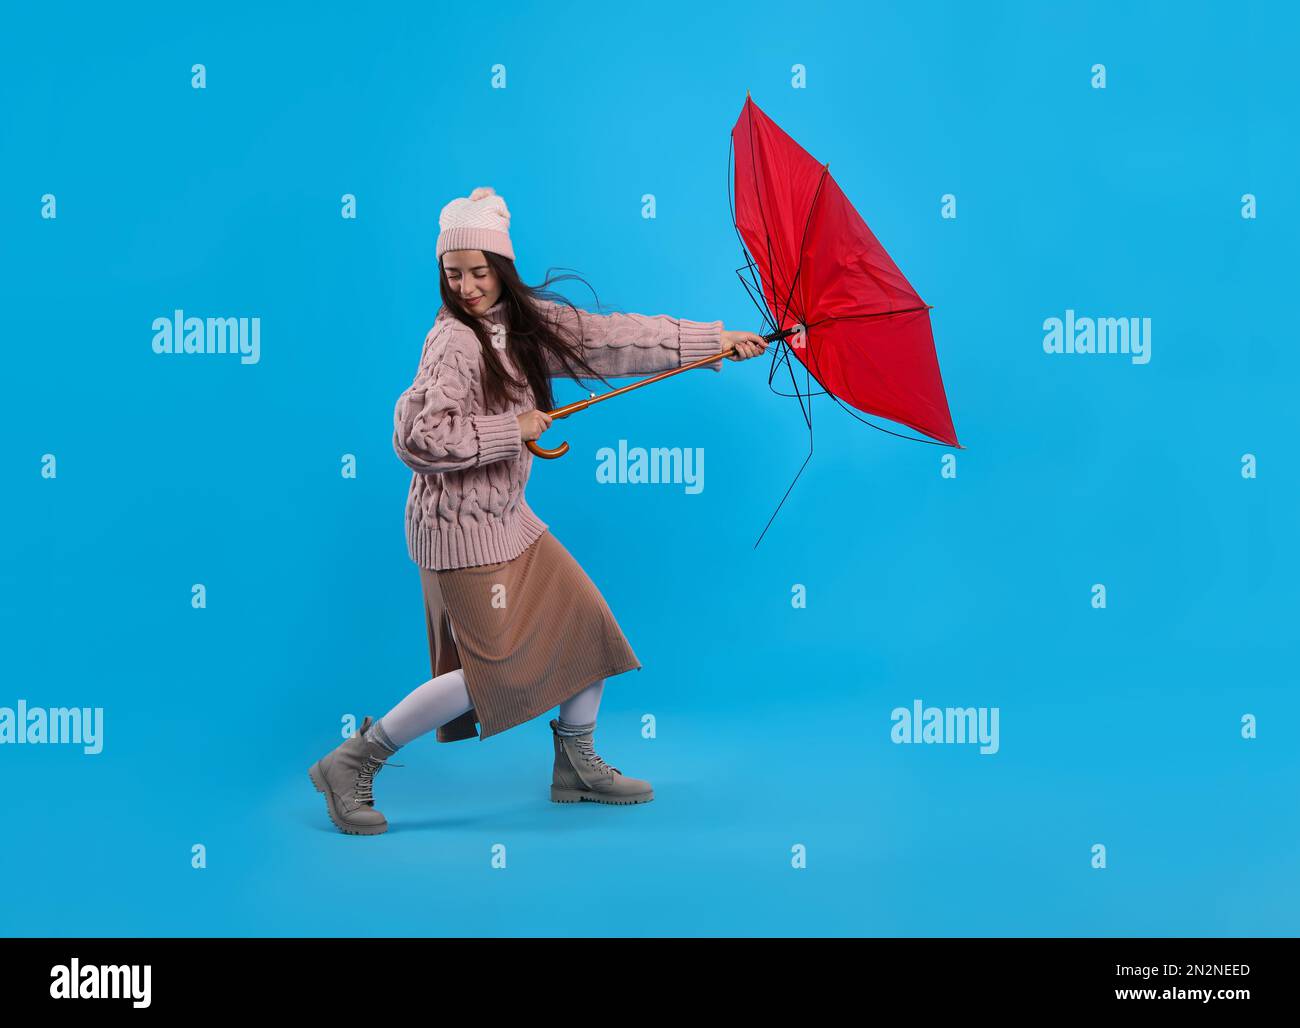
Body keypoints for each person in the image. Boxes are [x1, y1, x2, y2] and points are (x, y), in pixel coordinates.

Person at [309, 186, 767, 835]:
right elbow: (418, 438)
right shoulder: (456, 345)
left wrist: (713, 343)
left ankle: (575, 766)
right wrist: (511, 430)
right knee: (489, 677)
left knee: (586, 627)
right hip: (462, 535)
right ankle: (353, 760)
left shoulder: (522, 330)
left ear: (503, 268)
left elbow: (615, 340)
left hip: (509, 523)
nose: (466, 286)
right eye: (452, 273)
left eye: (478, 270)